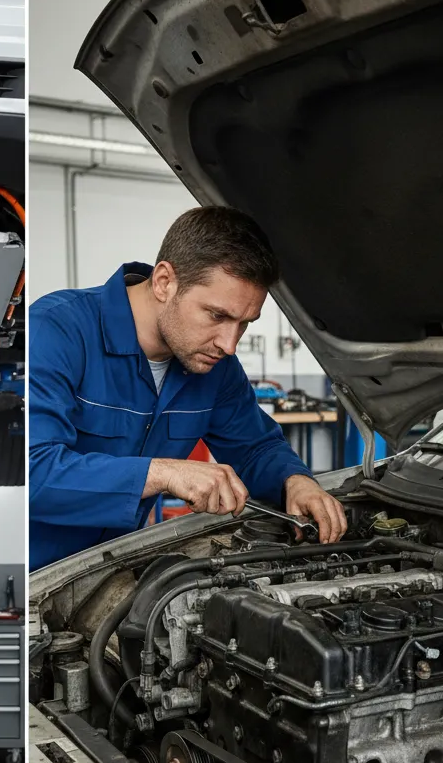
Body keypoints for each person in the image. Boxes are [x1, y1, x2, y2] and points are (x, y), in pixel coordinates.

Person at [29, 206, 347, 570]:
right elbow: (33, 470)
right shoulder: (57, 331)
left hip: (109, 567)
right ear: (165, 282)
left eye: (244, 323)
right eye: (217, 315)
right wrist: (164, 473)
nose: (229, 344)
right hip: (35, 574)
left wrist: (296, 481)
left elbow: (255, 447)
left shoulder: (215, 367)